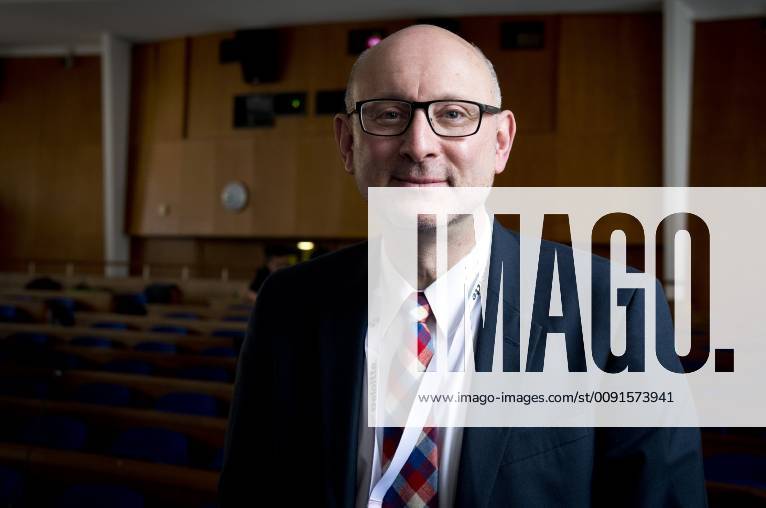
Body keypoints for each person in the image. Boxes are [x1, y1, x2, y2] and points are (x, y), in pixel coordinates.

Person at [219, 25, 707, 507]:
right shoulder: (288, 304)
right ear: (348, 143)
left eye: (453, 114)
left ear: (501, 142)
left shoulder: (616, 308)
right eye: (389, 114)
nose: (419, 145)